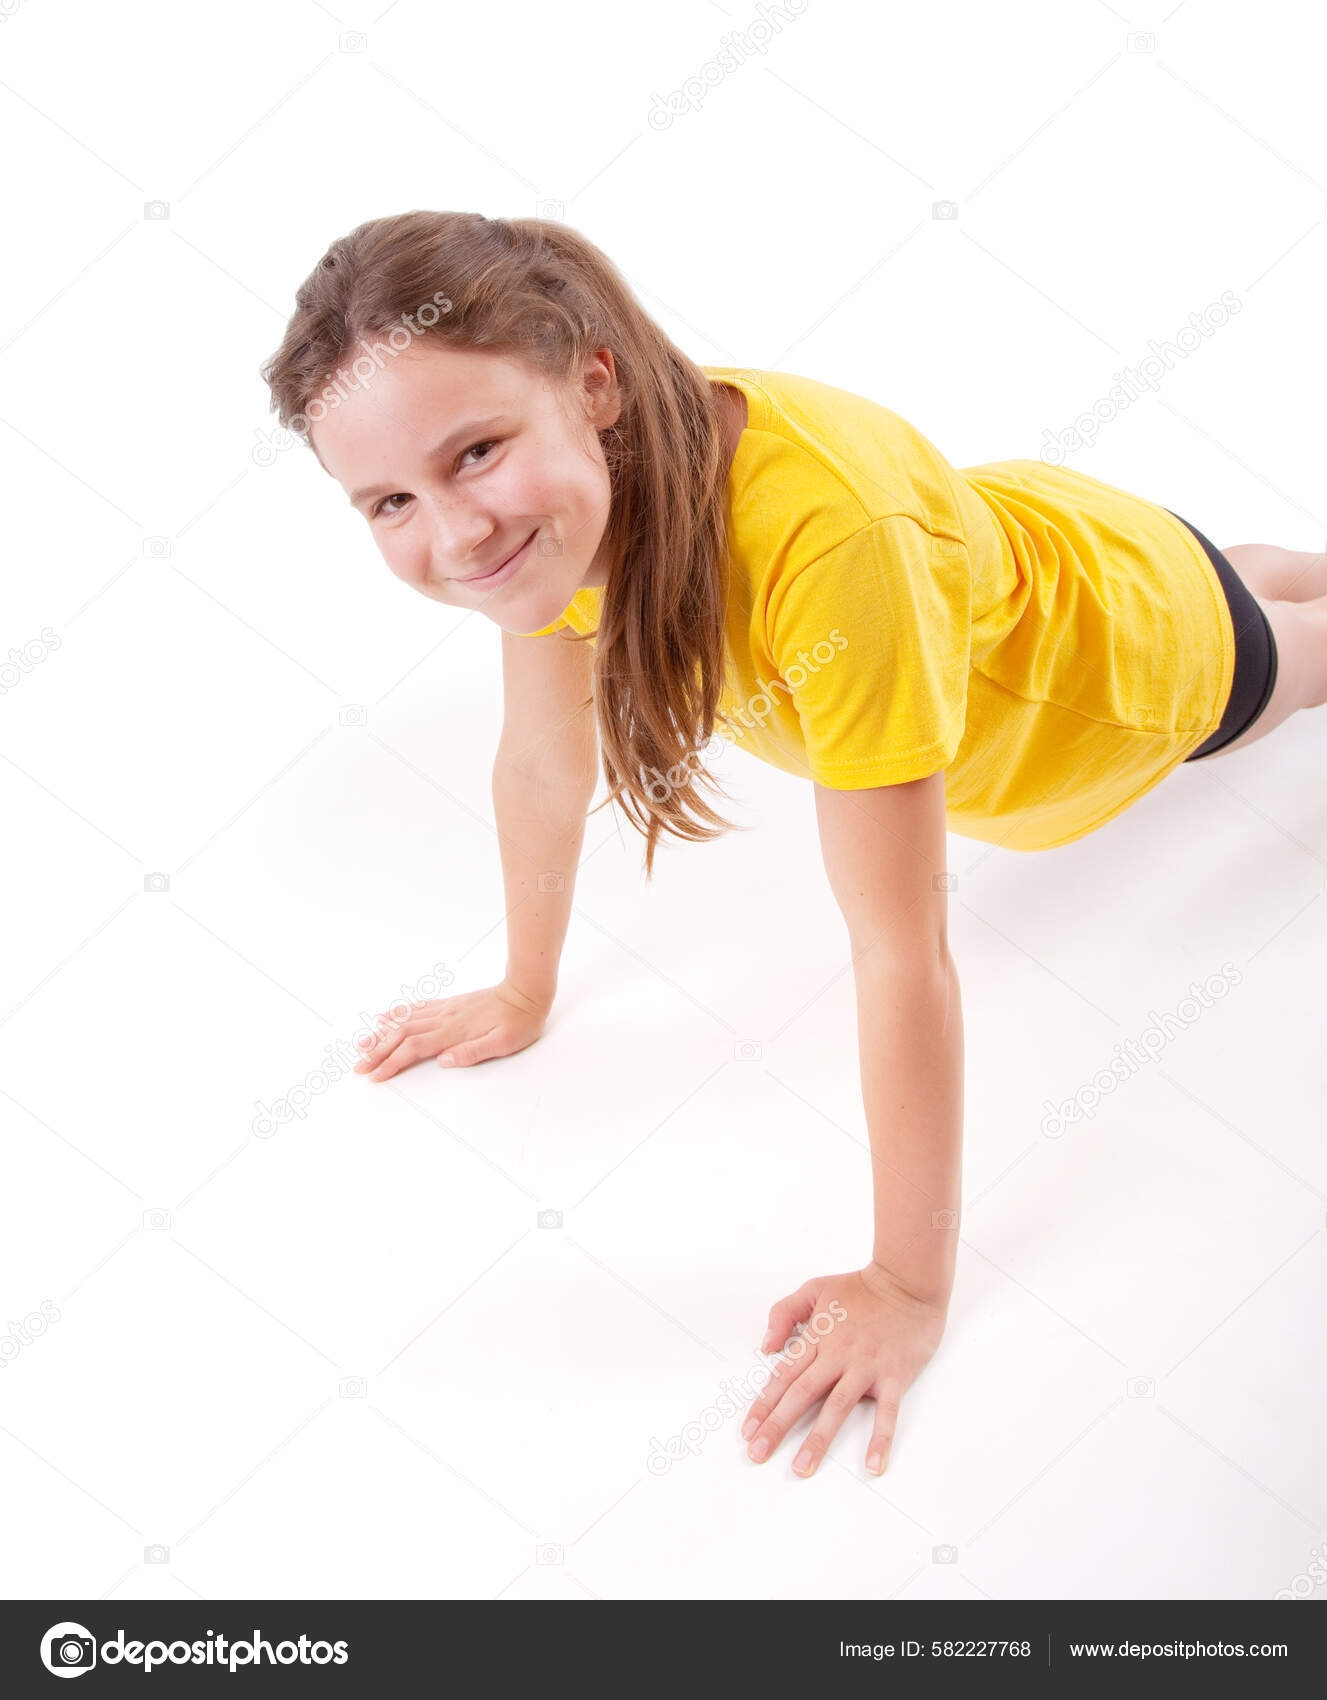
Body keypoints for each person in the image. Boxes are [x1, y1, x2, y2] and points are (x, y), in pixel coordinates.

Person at [260, 211, 1327, 1483]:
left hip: (1128, 677)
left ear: (592, 382)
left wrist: (905, 1284)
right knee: (1235, 568)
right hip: (1070, 546)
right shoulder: (570, 505)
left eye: (474, 452)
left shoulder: (831, 553)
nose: (453, 536)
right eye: (390, 500)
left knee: (1283, 646)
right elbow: (543, 761)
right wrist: (521, 988)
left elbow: (899, 949)